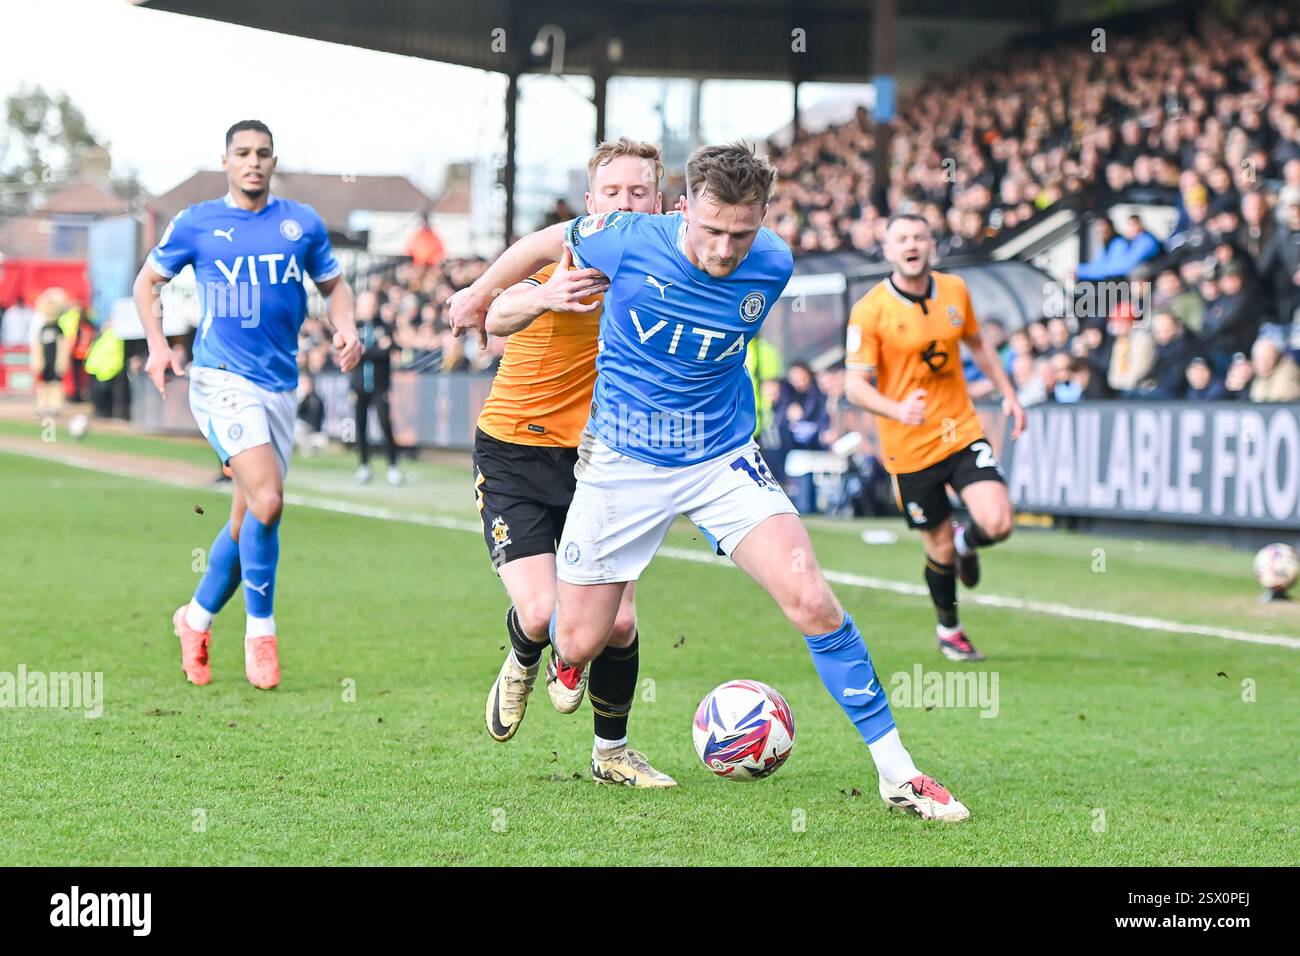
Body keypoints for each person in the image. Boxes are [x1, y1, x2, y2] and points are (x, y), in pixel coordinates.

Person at [452, 142, 972, 820]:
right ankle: (560, 657)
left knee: (811, 598)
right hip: (621, 465)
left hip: (719, 459)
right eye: (712, 230)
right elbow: (547, 240)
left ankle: (899, 773)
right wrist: (480, 293)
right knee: (576, 637)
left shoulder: (774, 261)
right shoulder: (627, 239)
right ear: (682, 211)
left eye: (741, 233)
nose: (726, 249)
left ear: (762, 220)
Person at [455, 138, 665, 786]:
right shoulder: (572, 251)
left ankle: (612, 754)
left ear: (659, 201)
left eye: (638, 192)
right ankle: (525, 653)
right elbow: (497, 314)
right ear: (590, 202)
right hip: (515, 454)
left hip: (603, 462)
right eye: (612, 192)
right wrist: (546, 296)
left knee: (620, 621)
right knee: (542, 613)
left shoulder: (668, 263)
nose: (625, 203)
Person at [132, 120, 361, 690]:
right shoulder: (197, 222)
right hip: (221, 378)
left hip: (279, 385)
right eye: (242, 153)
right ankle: (261, 634)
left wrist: (347, 327)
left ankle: (195, 619)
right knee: (270, 499)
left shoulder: (302, 223)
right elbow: (147, 283)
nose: (253, 161)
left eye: (262, 153)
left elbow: (335, 286)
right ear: (226, 161)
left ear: (273, 161)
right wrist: (157, 346)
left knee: (247, 517)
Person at [843, 214, 1027, 663]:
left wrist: (1008, 394)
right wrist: (897, 410)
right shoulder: (870, 310)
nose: (912, 244)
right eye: (901, 238)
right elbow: (854, 387)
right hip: (908, 448)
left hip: (960, 429)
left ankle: (969, 543)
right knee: (938, 546)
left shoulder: (954, 290)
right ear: (888, 250)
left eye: (919, 237)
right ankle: (950, 630)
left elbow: (978, 345)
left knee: (999, 522)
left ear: (931, 245)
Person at [350, 290, 401, 485]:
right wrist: (374, 349)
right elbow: (354, 353)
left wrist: (365, 351)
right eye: (365, 304)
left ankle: (392, 466)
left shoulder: (384, 326)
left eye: (371, 304)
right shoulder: (354, 327)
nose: (369, 308)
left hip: (380, 386)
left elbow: (387, 351)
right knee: (360, 427)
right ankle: (363, 465)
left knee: (385, 425)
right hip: (359, 385)